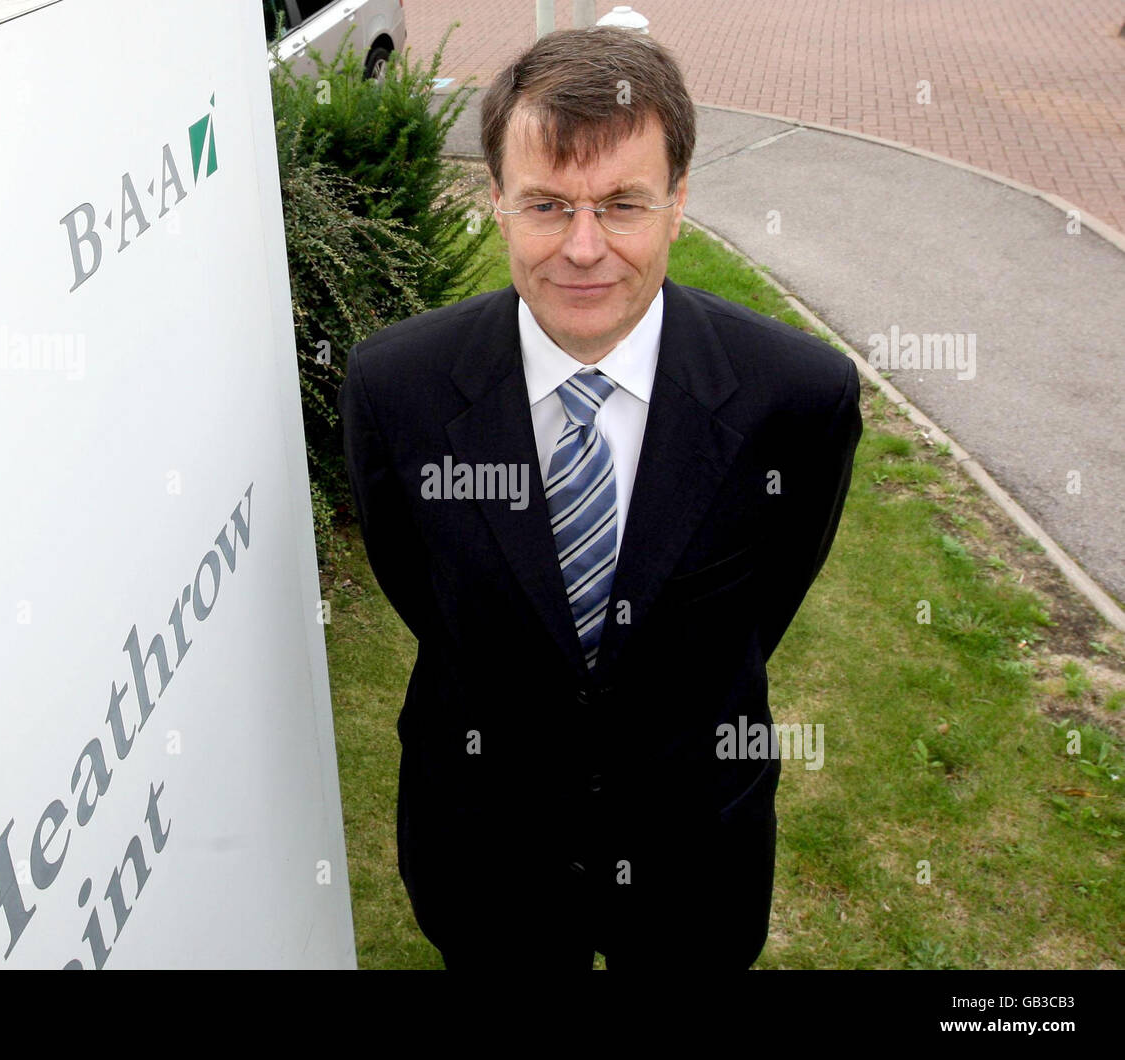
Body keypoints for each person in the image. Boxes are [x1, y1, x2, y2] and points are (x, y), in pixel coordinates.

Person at [337, 25, 862, 970]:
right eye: (547, 204)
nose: (584, 249)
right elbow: (421, 590)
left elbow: (767, 595)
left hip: (694, 850)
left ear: (678, 203)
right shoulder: (396, 389)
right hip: (487, 846)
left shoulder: (796, 395)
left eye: (622, 204)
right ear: (495, 201)